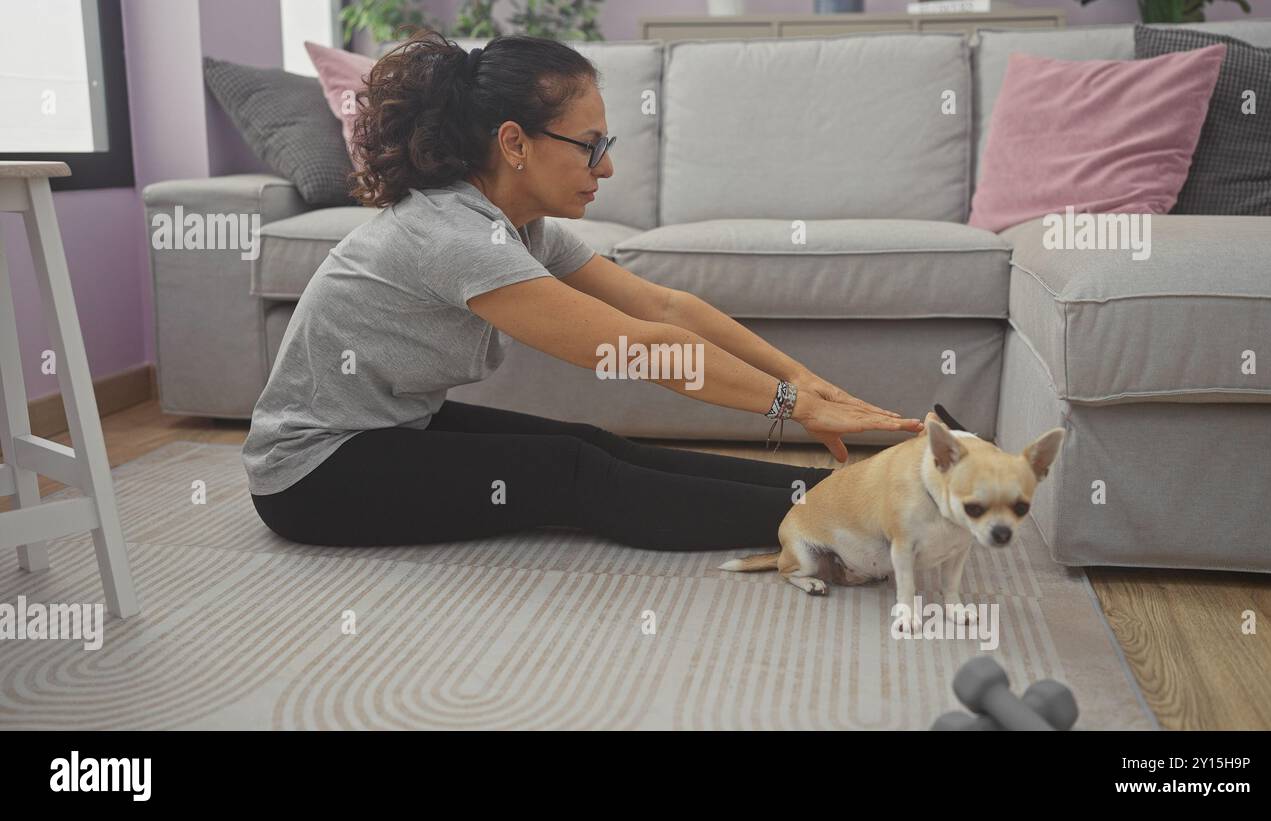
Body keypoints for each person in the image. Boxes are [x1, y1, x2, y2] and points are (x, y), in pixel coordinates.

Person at [242, 31, 923, 551]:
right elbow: (636, 347)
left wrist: (809, 386)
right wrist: (791, 402)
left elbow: (664, 307)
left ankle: (853, 493)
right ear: (514, 143)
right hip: (313, 475)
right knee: (574, 474)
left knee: (594, 445)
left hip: (389, 429)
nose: (608, 165)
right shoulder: (453, 235)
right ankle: (858, 521)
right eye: (590, 146)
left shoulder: (517, 224)